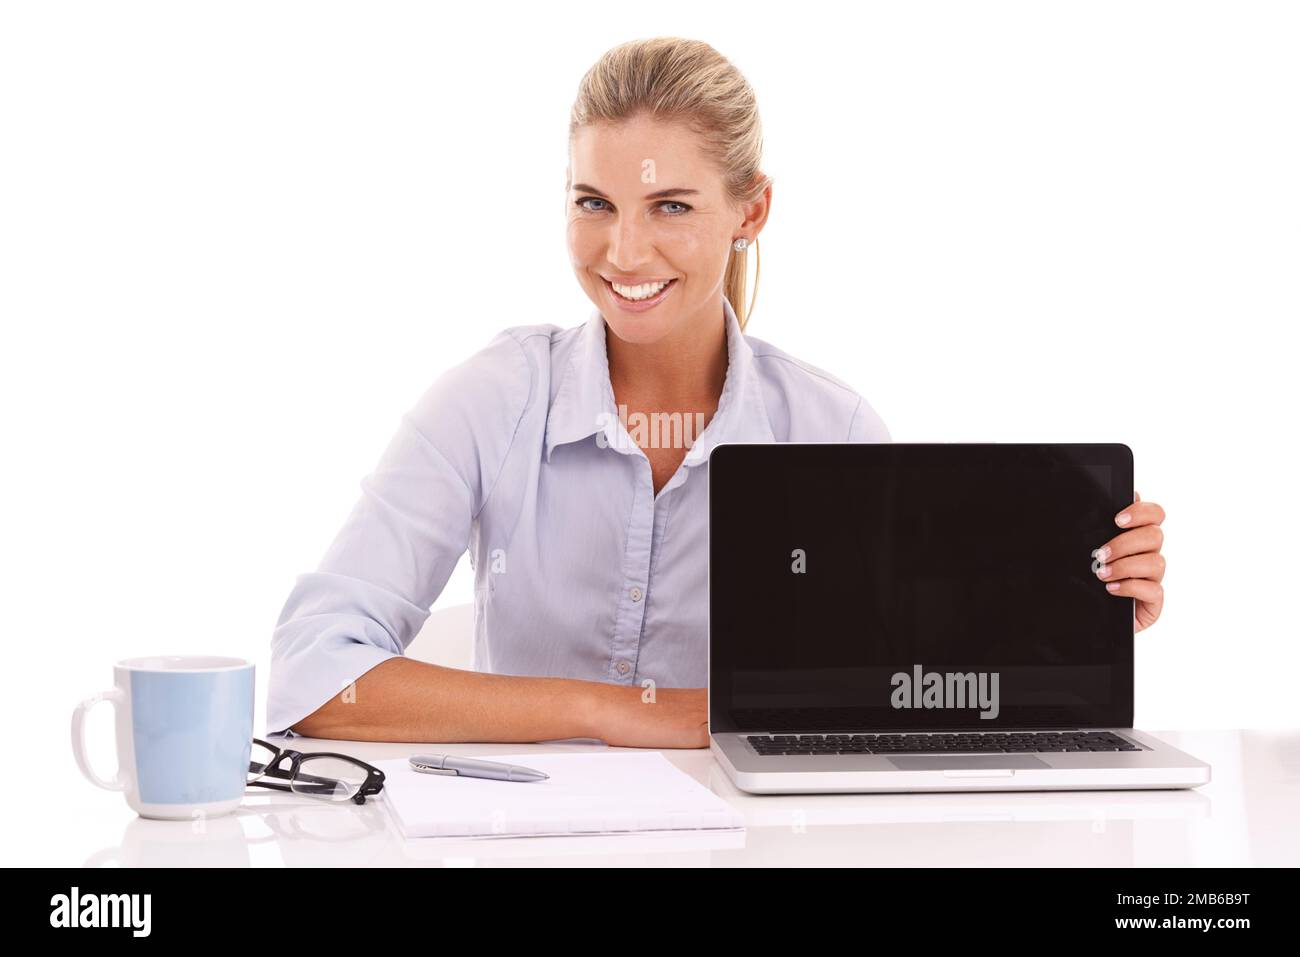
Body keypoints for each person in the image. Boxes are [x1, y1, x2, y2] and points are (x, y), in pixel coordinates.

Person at [266, 37, 1167, 747]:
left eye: (671, 207)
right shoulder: (491, 402)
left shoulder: (832, 430)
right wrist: (616, 711)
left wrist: (1079, 613)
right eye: (593, 204)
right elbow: (310, 672)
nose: (623, 252)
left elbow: (912, 688)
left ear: (751, 211)